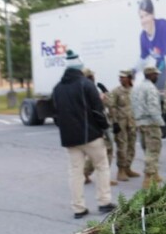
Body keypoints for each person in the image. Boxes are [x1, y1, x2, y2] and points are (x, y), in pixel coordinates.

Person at [51, 50, 116, 219]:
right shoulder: (86, 85)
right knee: (102, 166)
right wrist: (105, 128)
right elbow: (98, 111)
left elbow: (56, 115)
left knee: (75, 172)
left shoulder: (57, 88)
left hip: (70, 138)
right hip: (91, 135)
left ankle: (78, 208)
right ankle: (104, 202)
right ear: (80, 66)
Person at [82, 68, 117, 186]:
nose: (93, 78)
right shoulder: (92, 91)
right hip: (99, 125)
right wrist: (106, 93)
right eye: (91, 77)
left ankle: (84, 173)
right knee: (107, 150)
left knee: (96, 152)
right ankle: (103, 178)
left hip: (90, 126)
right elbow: (109, 103)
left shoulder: (81, 90)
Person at [132, 65, 166, 189]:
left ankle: (155, 174)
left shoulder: (137, 87)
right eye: (156, 75)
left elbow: (133, 105)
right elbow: (153, 107)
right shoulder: (151, 88)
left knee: (147, 149)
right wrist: (160, 122)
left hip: (141, 122)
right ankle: (148, 178)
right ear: (151, 75)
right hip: (151, 123)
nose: (157, 77)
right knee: (153, 150)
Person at [108, 69, 141, 181]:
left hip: (132, 122)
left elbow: (138, 106)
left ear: (129, 78)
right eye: (120, 77)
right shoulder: (116, 91)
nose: (121, 79)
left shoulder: (134, 91)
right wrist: (114, 122)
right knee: (122, 147)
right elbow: (111, 107)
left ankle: (128, 167)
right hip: (120, 123)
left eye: (123, 77)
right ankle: (121, 170)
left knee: (131, 146)